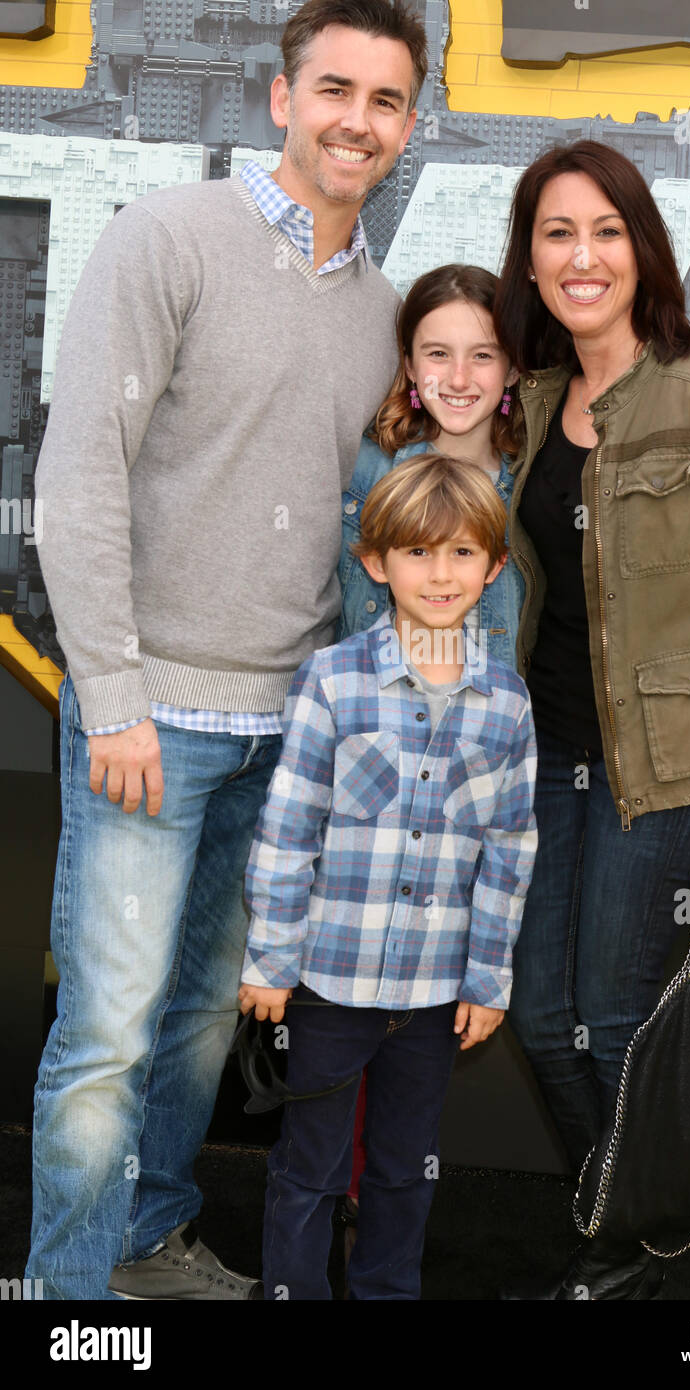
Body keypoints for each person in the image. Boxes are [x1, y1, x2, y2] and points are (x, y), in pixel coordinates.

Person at [28, 0, 428, 1301]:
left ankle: (145, 1241)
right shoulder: (168, 237)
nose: (355, 120)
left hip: (285, 735)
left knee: (200, 1025)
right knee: (102, 1035)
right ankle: (70, 1295)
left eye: (383, 100)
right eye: (334, 89)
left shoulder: (383, 312)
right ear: (280, 96)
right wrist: (112, 700)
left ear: (409, 123)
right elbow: (77, 472)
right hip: (153, 725)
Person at [491, 140, 690, 1300]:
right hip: (543, 756)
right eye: (556, 232)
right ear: (530, 254)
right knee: (536, 1011)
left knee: (610, 1018)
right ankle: (631, 1228)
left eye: (604, 230)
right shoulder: (533, 400)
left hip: (663, 772)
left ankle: (631, 1253)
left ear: (641, 249)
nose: (580, 255)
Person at [238, 454, 538, 1300]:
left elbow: (510, 852)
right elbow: (287, 830)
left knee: (406, 1170)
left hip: (438, 994)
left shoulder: (508, 705)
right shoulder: (330, 684)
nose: (440, 574)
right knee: (311, 1167)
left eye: (463, 553)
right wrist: (269, 960)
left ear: (495, 565)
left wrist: (489, 978)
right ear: (375, 562)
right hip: (330, 986)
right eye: (417, 553)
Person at [338, 263, 525, 667]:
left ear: (511, 368)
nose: (458, 379)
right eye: (438, 354)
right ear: (409, 366)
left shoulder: (532, 487)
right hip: (371, 723)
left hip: (488, 724)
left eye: (482, 355)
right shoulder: (364, 472)